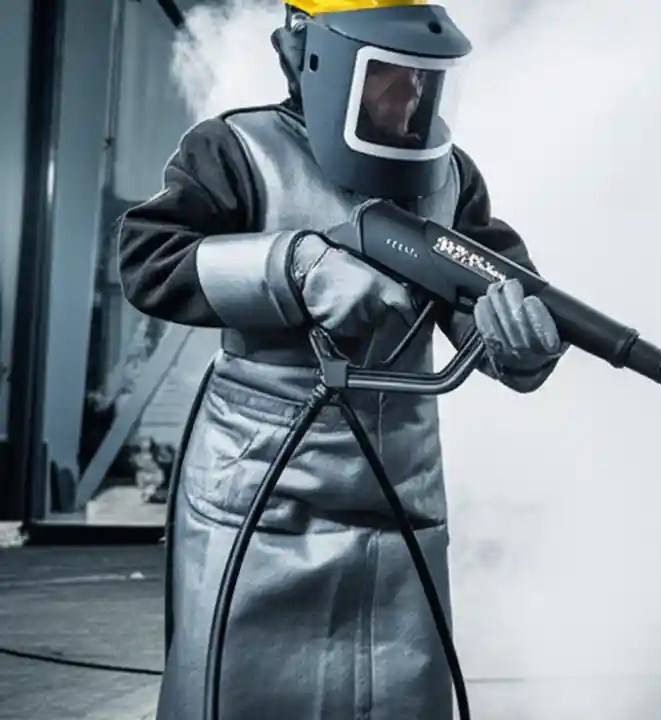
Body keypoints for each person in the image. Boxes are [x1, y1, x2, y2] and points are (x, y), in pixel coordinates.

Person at [115, 1, 564, 717]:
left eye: (425, 78)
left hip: (396, 503)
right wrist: (294, 267)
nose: (412, 97)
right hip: (260, 501)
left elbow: (485, 302)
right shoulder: (237, 149)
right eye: (390, 75)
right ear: (308, 55)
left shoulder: (450, 179)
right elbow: (148, 261)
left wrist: (521, 347)